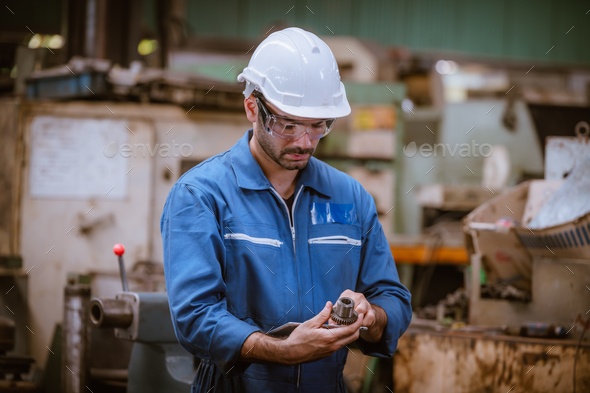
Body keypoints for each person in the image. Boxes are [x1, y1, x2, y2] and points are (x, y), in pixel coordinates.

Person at [161, 27, 412, 393]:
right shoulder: (201, 195)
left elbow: (393, 297)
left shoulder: (349, 196)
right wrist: (282, 350)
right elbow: (195, 317)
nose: (305, 141)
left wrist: (372, 317)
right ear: (252, 108)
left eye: (318, 126)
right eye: (288, 124)